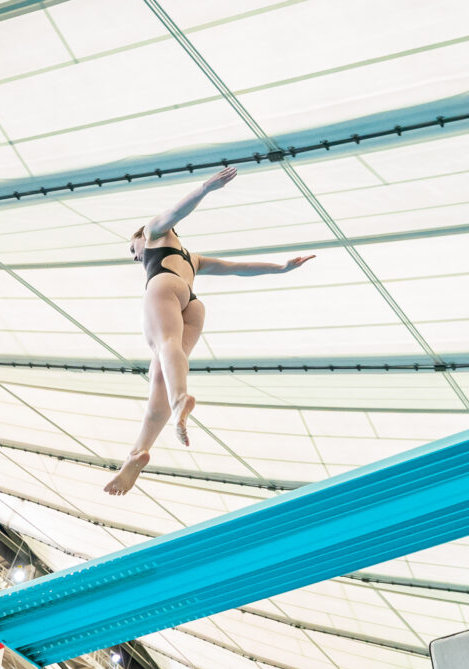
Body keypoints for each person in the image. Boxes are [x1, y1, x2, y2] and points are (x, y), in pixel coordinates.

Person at [104, 167, 314, 496]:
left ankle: (179, 400)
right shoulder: (195, 259)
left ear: (144, 238)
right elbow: (238, 269)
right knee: (161, 372)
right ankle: (139, 451)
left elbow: (175, 212)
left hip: (164, 287)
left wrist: (205, 188)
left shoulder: (153, 231)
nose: (135, 257)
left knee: (165, 347)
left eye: (134, 250)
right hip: (194, 304)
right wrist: (280, 268)